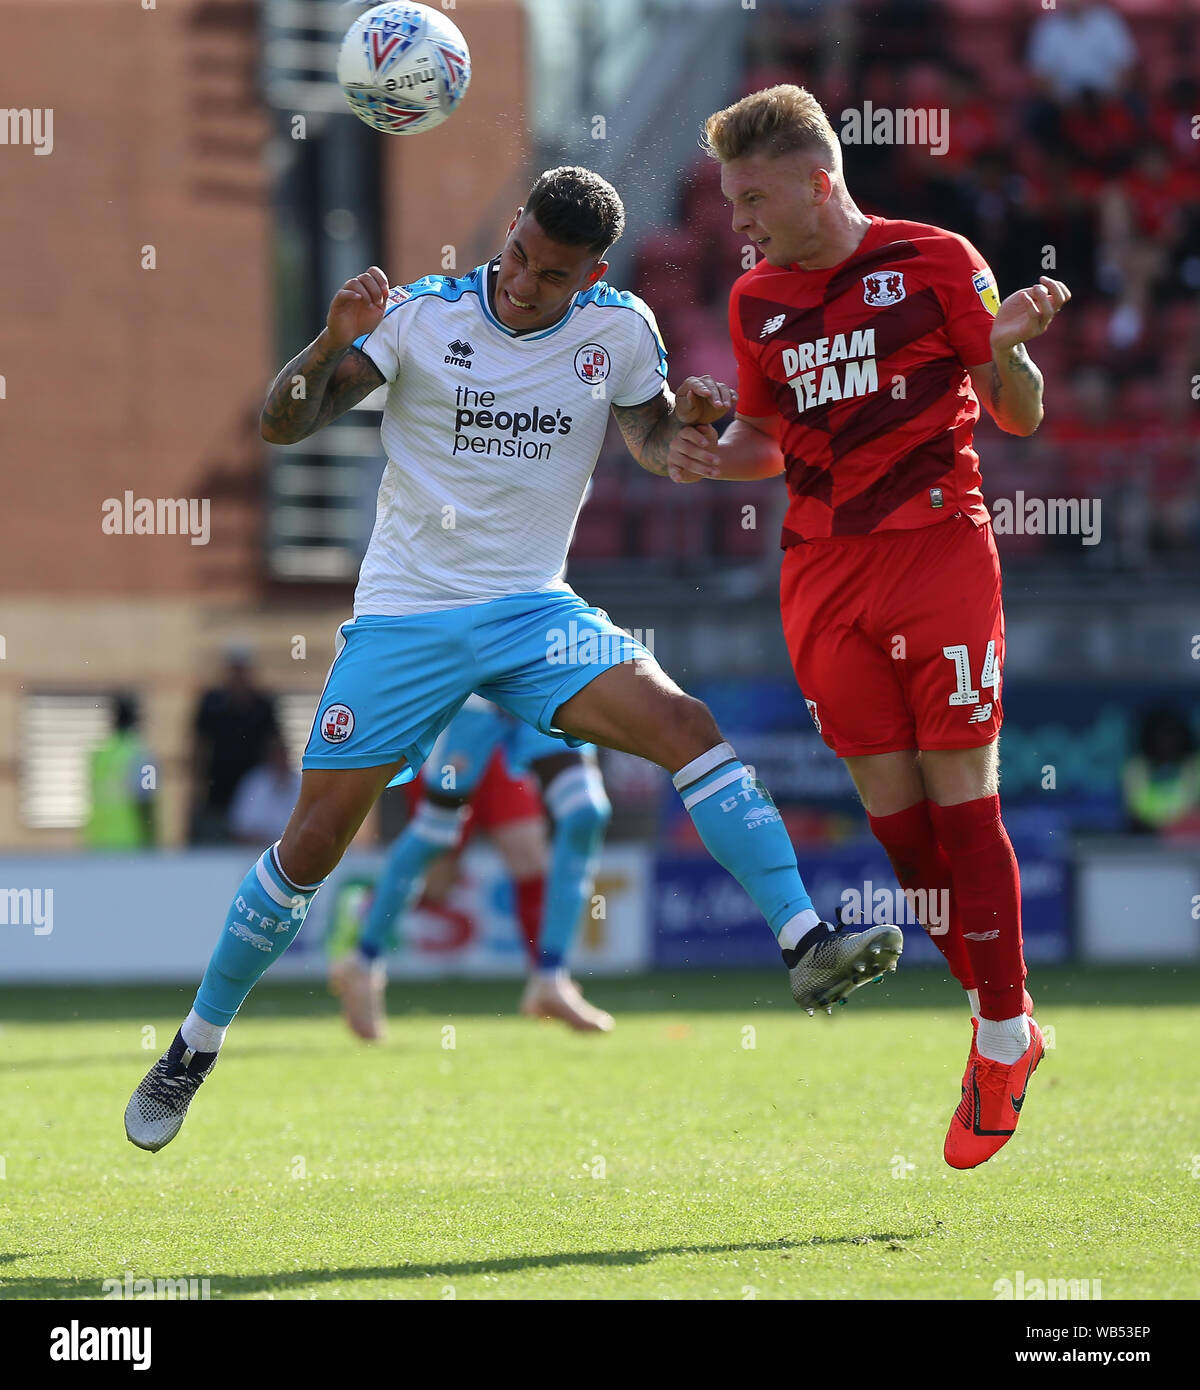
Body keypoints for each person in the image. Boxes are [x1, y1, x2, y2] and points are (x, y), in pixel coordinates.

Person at [125, 166, 902, 1153]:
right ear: (511, 231)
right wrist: (329, 340)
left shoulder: (618, 331)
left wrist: (691, 426)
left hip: (535, 613)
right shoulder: (417, 319)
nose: (523, 282)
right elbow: (284, 423)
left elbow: (654, 438)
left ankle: (805, 945)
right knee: (315, 841)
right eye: (518, 256)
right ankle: (196, 1043)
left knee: (686, 728)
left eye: (550, 274)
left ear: (594, 274)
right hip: (409, 617)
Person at [669, 87, 1069, 1170]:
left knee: (966, 803)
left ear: (818, 181)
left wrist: (1014, 348)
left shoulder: (937, 260)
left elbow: (1017, 411)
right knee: (900, 833)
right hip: (820, 572)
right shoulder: (756, 302)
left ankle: (997, 1037)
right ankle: (1011, 1025)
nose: (737, 221)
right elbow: (769, 440)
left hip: (937, 550)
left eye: (752, 198)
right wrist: (714, 443)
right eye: (728, 201)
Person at [329, 696, 615, 1037]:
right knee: (436, 859)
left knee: (577, 819)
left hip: (537, 696)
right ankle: (362, 950)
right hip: (472, 700)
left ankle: (550, 977)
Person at [189, 643, 281, 845]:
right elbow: (198, 748)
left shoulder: (263, 705)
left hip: (253, 796)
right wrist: (194, 792)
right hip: (217, 794)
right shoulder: (212, 703)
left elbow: (273, 747)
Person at [84, 694, 155, 850]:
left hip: (98, 844)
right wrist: (152, 843)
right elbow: (147, 801)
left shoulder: (100, 755)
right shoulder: (141, 755)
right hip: (131, 845)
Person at [228, 734, 302, 848]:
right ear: (268, 757)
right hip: (254, 853)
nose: (280, 760)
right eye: (276, 755)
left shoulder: (300, 783)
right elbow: (239, 829)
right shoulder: (253, 783)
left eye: (283, 755)